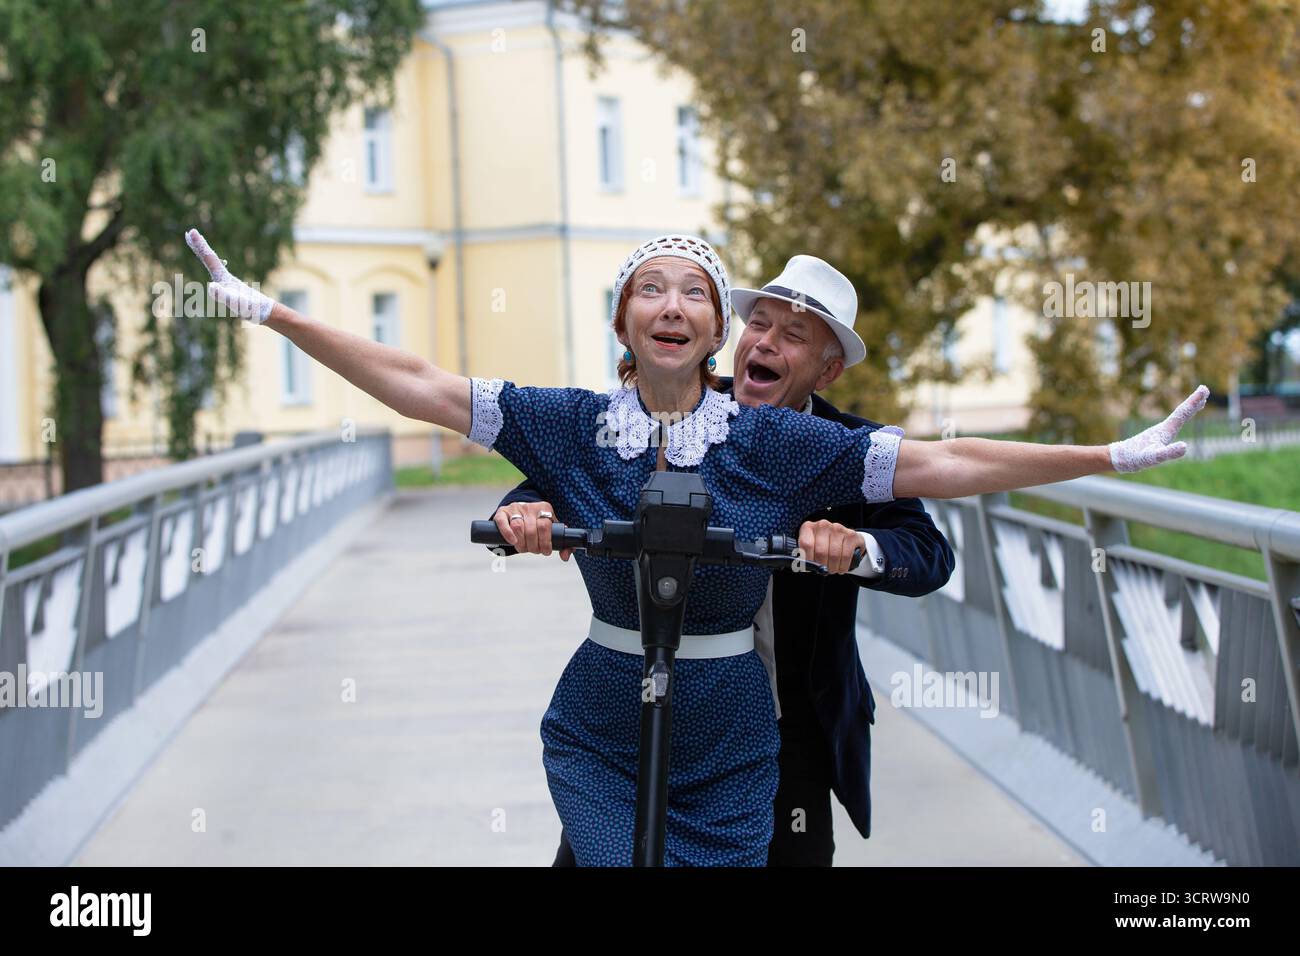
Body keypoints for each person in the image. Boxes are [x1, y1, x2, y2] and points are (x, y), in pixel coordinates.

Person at [184, 227, 1207, 866]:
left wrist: (1109, 454)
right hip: (603, 705)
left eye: (696, 295)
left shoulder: (794, 443)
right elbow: (422, 380)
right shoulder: (570, 420)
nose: (675, 306)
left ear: (709, 331)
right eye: (650, 289)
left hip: (745, 721)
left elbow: (946, 463)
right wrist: (274, 313)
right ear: (625, 320)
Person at [491, 254, 956, 866]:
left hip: (789, 725)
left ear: (828, 369)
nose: (765, 343)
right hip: (654, 706)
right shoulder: (683, 410)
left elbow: (928, 553)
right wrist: (527, 506)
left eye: (793, 336)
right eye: (758, 325)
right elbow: (576, 459)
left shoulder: (852, 451)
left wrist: (857, 549)